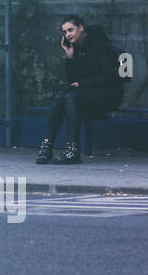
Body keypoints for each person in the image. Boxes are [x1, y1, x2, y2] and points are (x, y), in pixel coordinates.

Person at [36, 15, 124, 165]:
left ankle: (73, 150)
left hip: (110, 94)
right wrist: (70, 57)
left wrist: (81, 84)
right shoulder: (76, 48)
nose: (67, 34)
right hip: (89, 94)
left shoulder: (100, 45)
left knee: (70, 97)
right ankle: (46, 146)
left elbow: (109, 77)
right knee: (62, 95)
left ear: (81, 28)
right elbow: (73, 82)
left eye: (70, 30)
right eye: (64, 32)